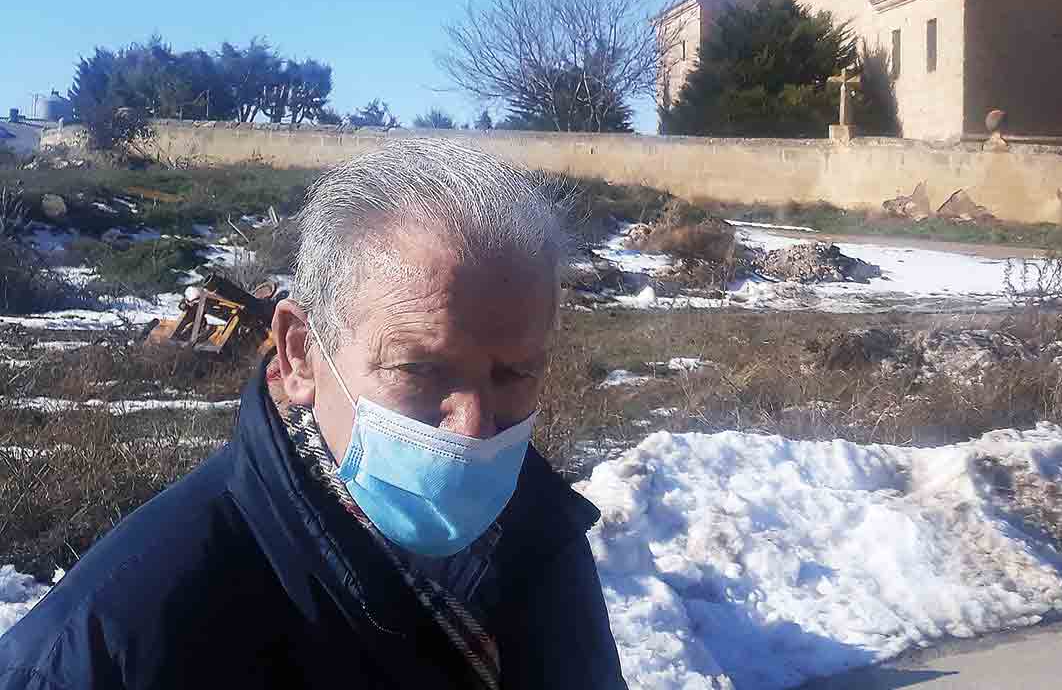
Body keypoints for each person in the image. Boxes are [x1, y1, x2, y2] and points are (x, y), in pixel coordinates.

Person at [0, 140, 624, 689]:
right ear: (300, 353)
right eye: (420, 370)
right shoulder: (112, 644)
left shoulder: (541, 540)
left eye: (514, 373)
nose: (474, 430)